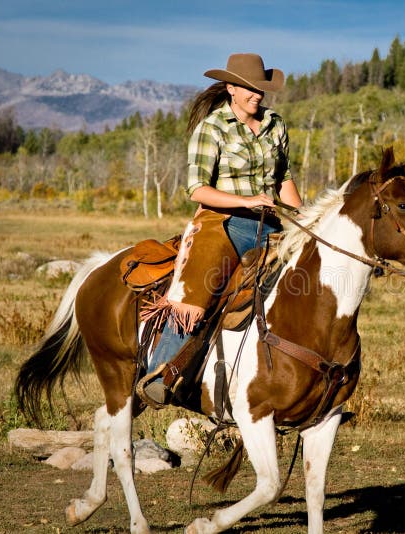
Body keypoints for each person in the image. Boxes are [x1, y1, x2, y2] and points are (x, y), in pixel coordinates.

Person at [139, 53, 302, 406]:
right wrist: (246, 202)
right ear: (230, 87)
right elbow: (196, 189)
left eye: (260, 88)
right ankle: (162, 372)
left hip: (272, 223)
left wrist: (304, 219)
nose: (257, 95)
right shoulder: (212, 128)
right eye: (248, 88)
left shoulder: (276, 124)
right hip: (222, 221)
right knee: (199, 288)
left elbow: (284, 178)